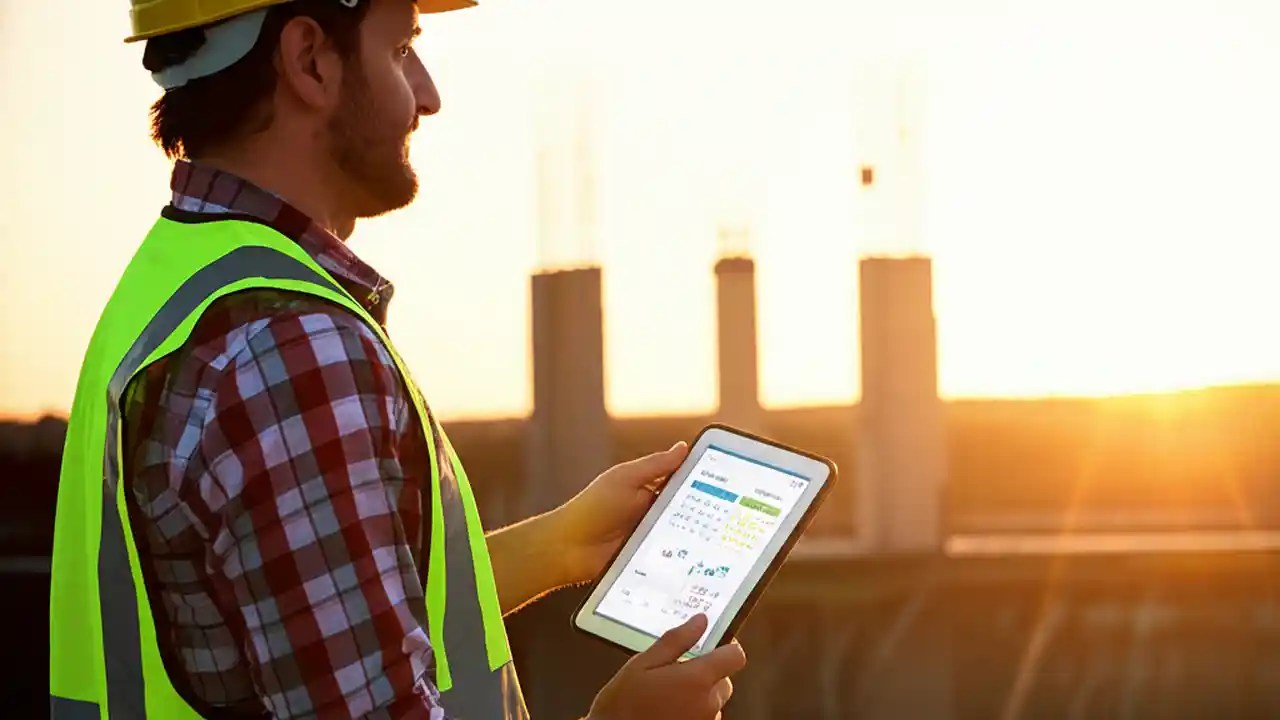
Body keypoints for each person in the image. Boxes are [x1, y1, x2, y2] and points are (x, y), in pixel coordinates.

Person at [47, 0, 746, 718]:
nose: (429, 96)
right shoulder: (290, 352)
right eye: (403, 48)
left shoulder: (180, 287)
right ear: (310, 60)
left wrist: (560, 544)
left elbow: (310, 615)